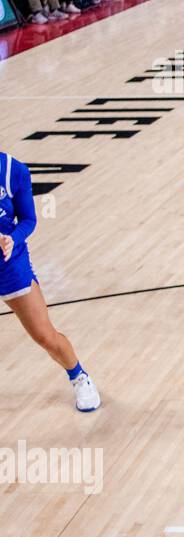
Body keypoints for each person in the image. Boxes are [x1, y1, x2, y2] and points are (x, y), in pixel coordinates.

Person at [1, 151, 100, 411]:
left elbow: (28, 219)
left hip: (9, 263)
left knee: (44, 335)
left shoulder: (14, 171)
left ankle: (79, 377)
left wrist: (13, 239)